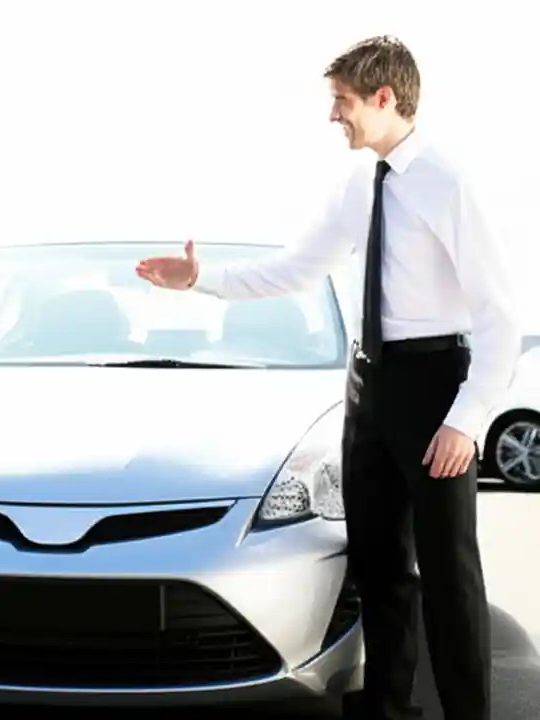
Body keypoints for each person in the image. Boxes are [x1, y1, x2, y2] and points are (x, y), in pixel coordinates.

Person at [135, 35, 518, 720]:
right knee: (377, 565)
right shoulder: (357, 188)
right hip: (367, 390)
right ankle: (390, 707)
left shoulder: (447, 184)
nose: (332, 116)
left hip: (435, 390)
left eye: (342, 102)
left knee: (448, 574)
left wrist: (468, 417)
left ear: (383, 97)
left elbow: (498, 316)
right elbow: (295, 269)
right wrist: (201, 281)